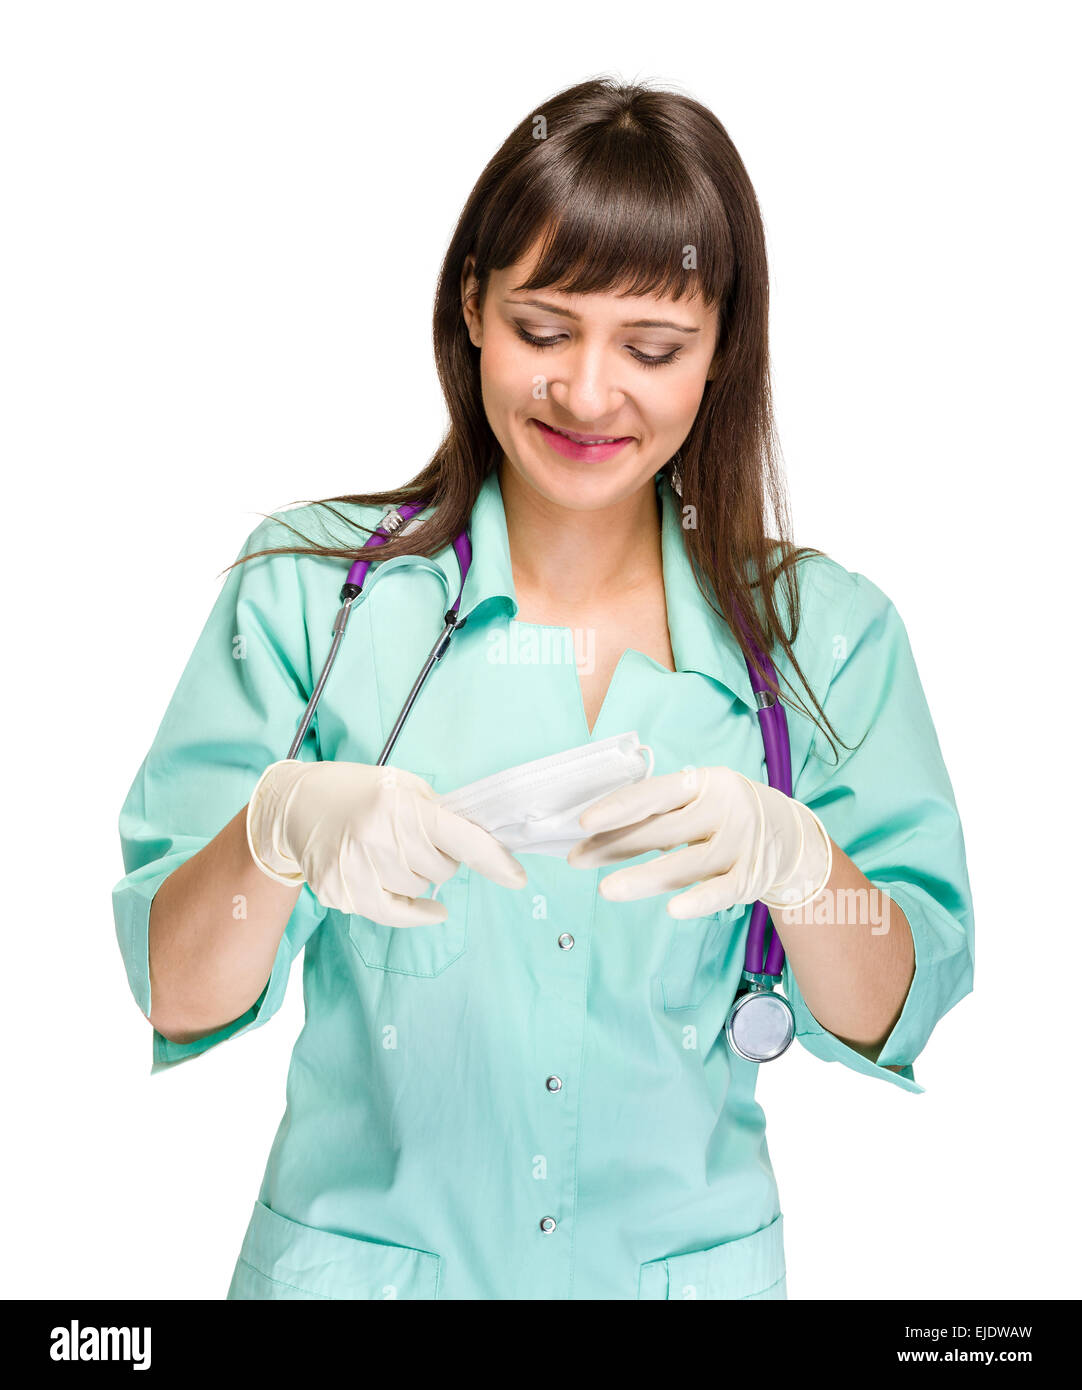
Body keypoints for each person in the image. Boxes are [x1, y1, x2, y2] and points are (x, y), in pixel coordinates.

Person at [112, 76, 974, 1301]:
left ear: (722, 344)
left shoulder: (823, 641)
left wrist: (800, 865)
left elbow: (899, 1001)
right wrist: (277, 834)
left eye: (653, 347)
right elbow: (179, 983)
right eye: (543, 328)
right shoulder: (313, 596)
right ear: (471, 306)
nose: (585, 393)